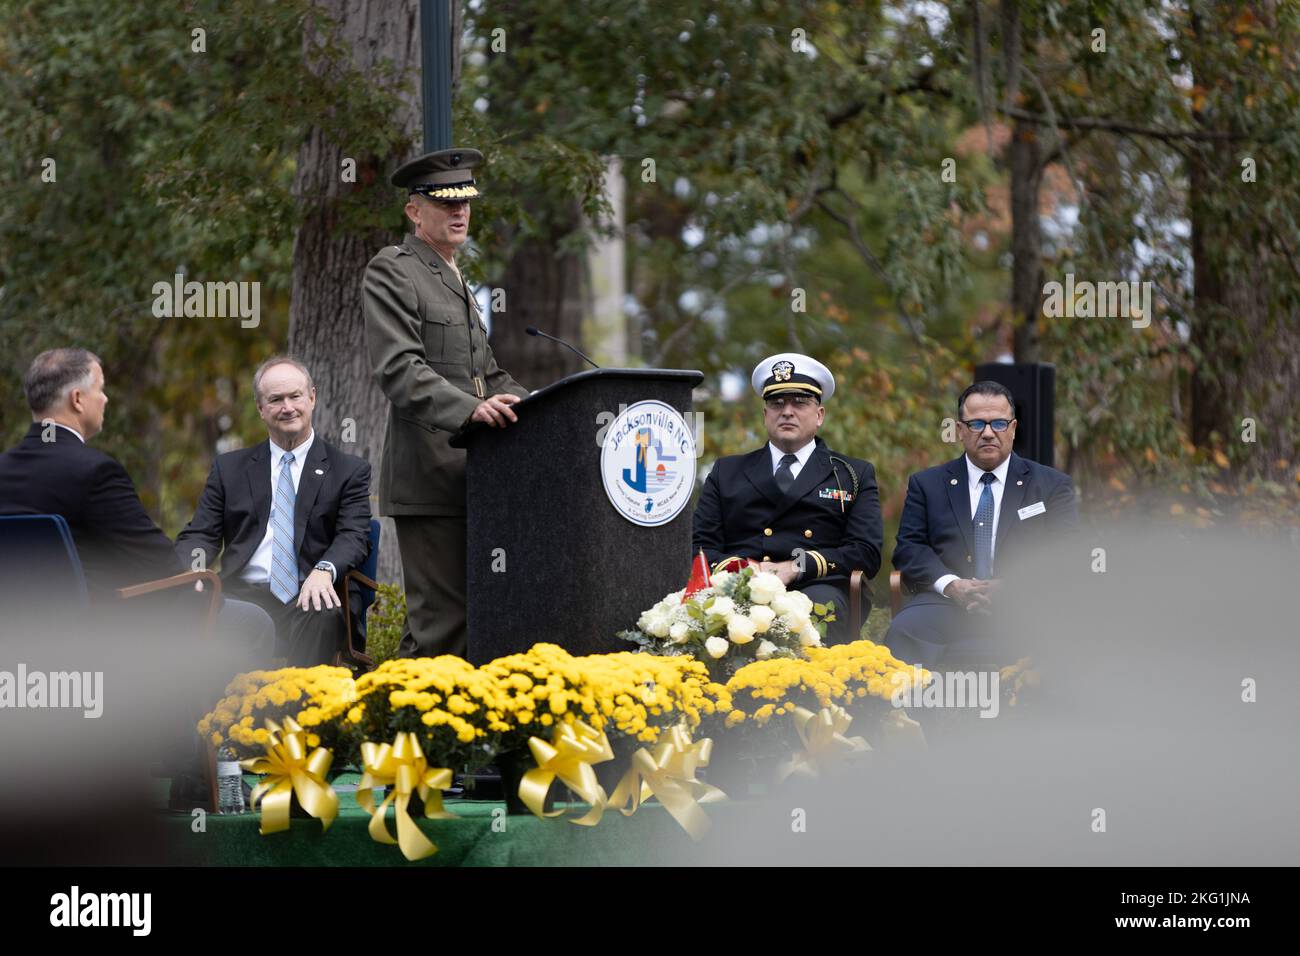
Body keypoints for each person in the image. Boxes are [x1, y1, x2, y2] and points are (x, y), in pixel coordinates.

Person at [363, 146, 529, 659]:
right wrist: (469, 409)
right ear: (414, 211)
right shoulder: (394, 270)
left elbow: (487, 373)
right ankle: (413, 738)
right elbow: (400, 370)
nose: (459, 212)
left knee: (455, 625)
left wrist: (541, 406)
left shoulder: (455, 277)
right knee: (444, 629)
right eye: (444, 203)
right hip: (431, 477)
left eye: (466, 203)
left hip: (475, 474)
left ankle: (399, 727)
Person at [0, 347, 274, 644]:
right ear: (77, 400)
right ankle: (196, 692)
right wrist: (195, 582)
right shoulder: (95, 472)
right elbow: (158, 565)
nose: (105, 399)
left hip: (17, 630)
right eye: (100, 389)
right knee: (253, 622)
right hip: (103, 631)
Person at [175, 356, 372, 666]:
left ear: (312, 397)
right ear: (260, 408)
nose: (287, 407)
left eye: (295, 396)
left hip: (309, 592)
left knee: (323, 612)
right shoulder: (230, 469)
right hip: (243, 594)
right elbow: (201, 533)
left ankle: (297, 711)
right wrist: (188, 570)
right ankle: (228, 712)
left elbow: (354, 535)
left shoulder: (348, 470)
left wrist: (324, 569)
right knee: (195, 609)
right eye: (276, 399)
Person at [885, 380, 1078, 668]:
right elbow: (910, 549)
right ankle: (916, 714)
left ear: (1013, 429)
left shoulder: (1052, 485)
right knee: (905, 632)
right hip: (947, 604)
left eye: (998, 423)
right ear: (960, 431)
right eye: (976, 424)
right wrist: (953, 586)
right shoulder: (927, 484)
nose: (988, 433)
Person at [692, 353, 884, 644]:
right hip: (739, 586)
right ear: (765, 415)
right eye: (777, 403)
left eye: (799, 402)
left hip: (817, 587)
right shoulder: (727, 471)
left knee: (813, 615)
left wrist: (797, 567)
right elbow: (700, 547)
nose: (787, 411)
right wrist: (747, 571)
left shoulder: (852, 473)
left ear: (819, 415)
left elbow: (866, 552)